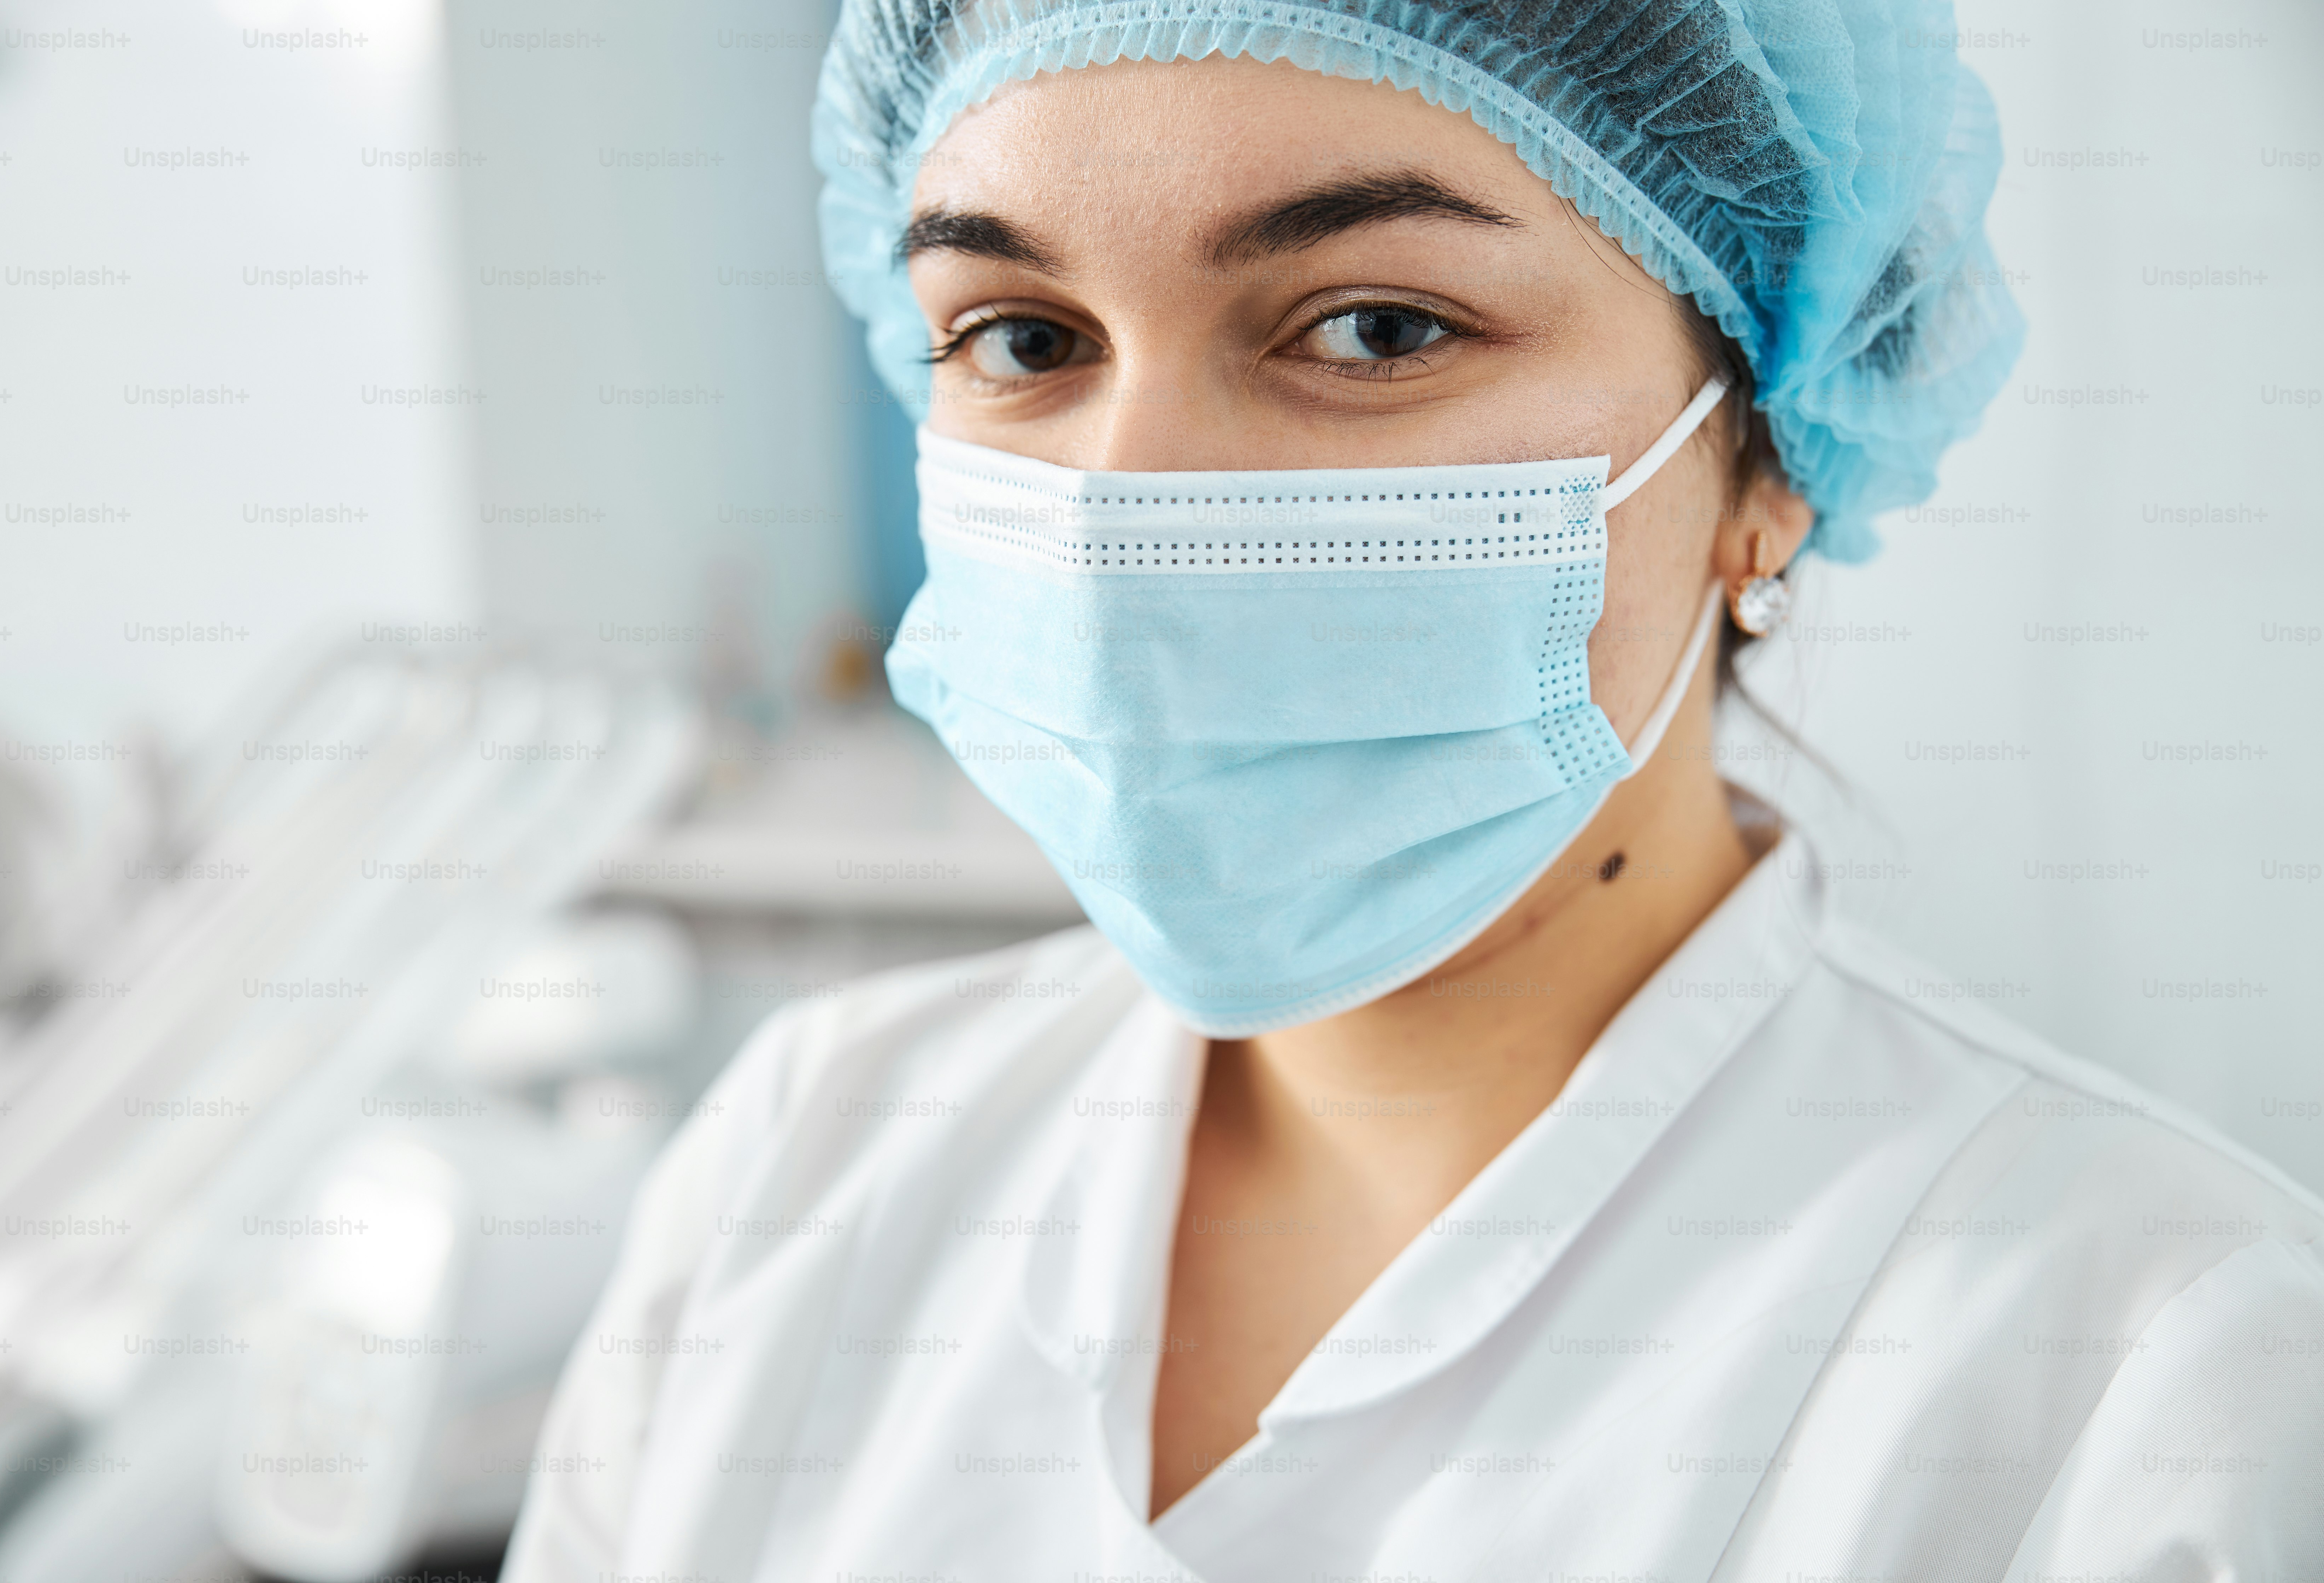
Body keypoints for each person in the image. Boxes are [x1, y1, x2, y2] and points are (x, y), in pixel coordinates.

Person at [504, 2, 2324, 1577]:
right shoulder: (804, 1156)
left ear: (1769, 454)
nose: (1129, 519)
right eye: (1025, 339)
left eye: (1375, 328)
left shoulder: (2155, 1362)